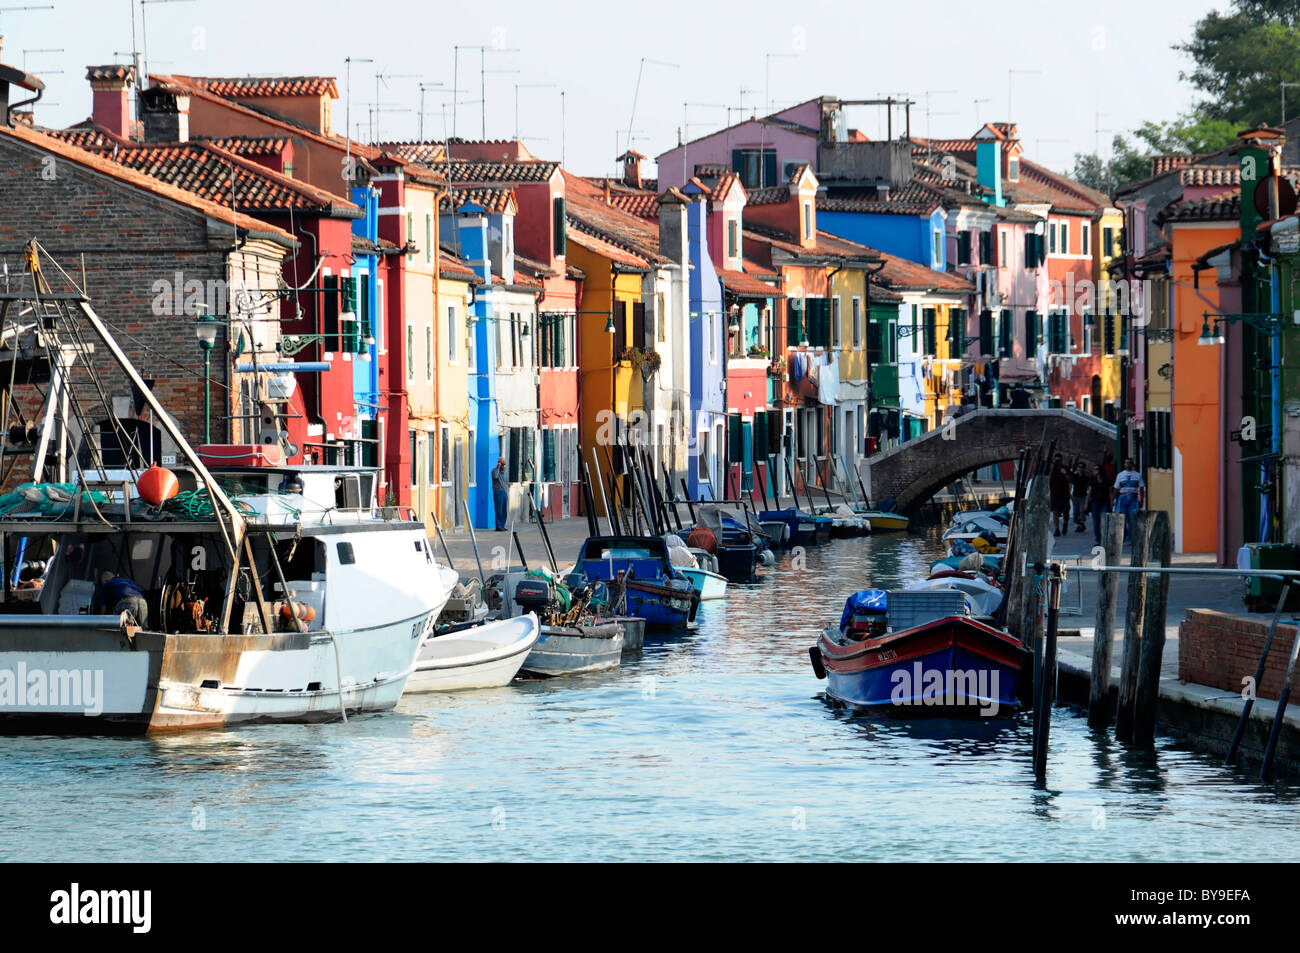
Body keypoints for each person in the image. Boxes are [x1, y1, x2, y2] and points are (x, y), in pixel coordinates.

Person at [1113, 456, 1145, 543]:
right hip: (1122, 498)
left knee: (1132, 518)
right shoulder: (1120, 475)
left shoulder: (1137, 475)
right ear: (1124, 464)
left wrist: (1141, 500)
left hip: (1133, 498)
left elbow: (1141, 488)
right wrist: (1113, 500)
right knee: (1121, 518)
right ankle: (1123, 536)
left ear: (1133, 464)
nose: (1128, 464)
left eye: (1130, 463)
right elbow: (1116, 488)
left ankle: (1131, 537)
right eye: (1126, 463)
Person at [1087, 464, 1110, 546]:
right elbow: (1089, 492)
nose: (1095, 471)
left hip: (1104, 502)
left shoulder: (1106, 480)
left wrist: (1111, 502)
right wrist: (1086, 503)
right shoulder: (1092, 480)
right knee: (1096, 521)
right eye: (1094, 469)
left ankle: (1105, 538)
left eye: (1096, 469)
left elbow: (1110, 491)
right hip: (1095, 502)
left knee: (1104, 520)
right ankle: (1098, 539)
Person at [1049, 457, 1072, 536]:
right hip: (1054, 494)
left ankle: (1065, 523)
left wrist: (1065, 473)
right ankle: (1057, 529)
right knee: (1055, 512)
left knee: (1066, 512)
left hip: (1064, 494)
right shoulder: (1052, 470)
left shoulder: (1065, 469)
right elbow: (1048, 481)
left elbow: (1070, 480)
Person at [1070, 461, 1090, 532]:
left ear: (1084, 469)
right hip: (1075, 496)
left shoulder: (1086, 478)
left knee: (1082, 511)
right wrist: (1070, 494)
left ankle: (1080, 525)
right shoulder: (1074, 477)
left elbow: (1088, 488)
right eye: (1079, 467)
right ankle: (1081, 524)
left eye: (1082, 467)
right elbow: (1071, 484)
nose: (1080, 469)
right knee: (1076, 513)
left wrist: (1088, 496)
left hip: (1083, 496)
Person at [492, 457, 510, 531]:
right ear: (499, 463)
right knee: (498, 509)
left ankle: (502, 525)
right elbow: (495, 476)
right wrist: (498, 468)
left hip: (504, 492)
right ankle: (498, 526)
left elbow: (506, 482)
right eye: (502, 464)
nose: (504, 466)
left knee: (504, 510)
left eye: (504, 464)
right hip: (498, 492)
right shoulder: (494, 471)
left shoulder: (504, 472)